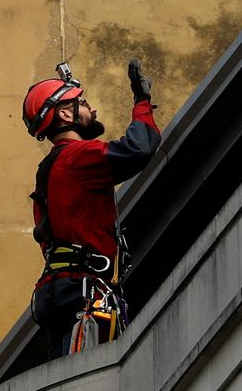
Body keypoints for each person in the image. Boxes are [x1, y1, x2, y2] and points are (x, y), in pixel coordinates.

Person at [21, 59, 160, 358]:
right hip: (82, 289)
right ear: (64, 114)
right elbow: (138, 149)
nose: (92, 109)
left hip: (58, 291)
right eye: (82, 103)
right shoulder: (77, 157)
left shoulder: (48, 172)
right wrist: (142, 101)